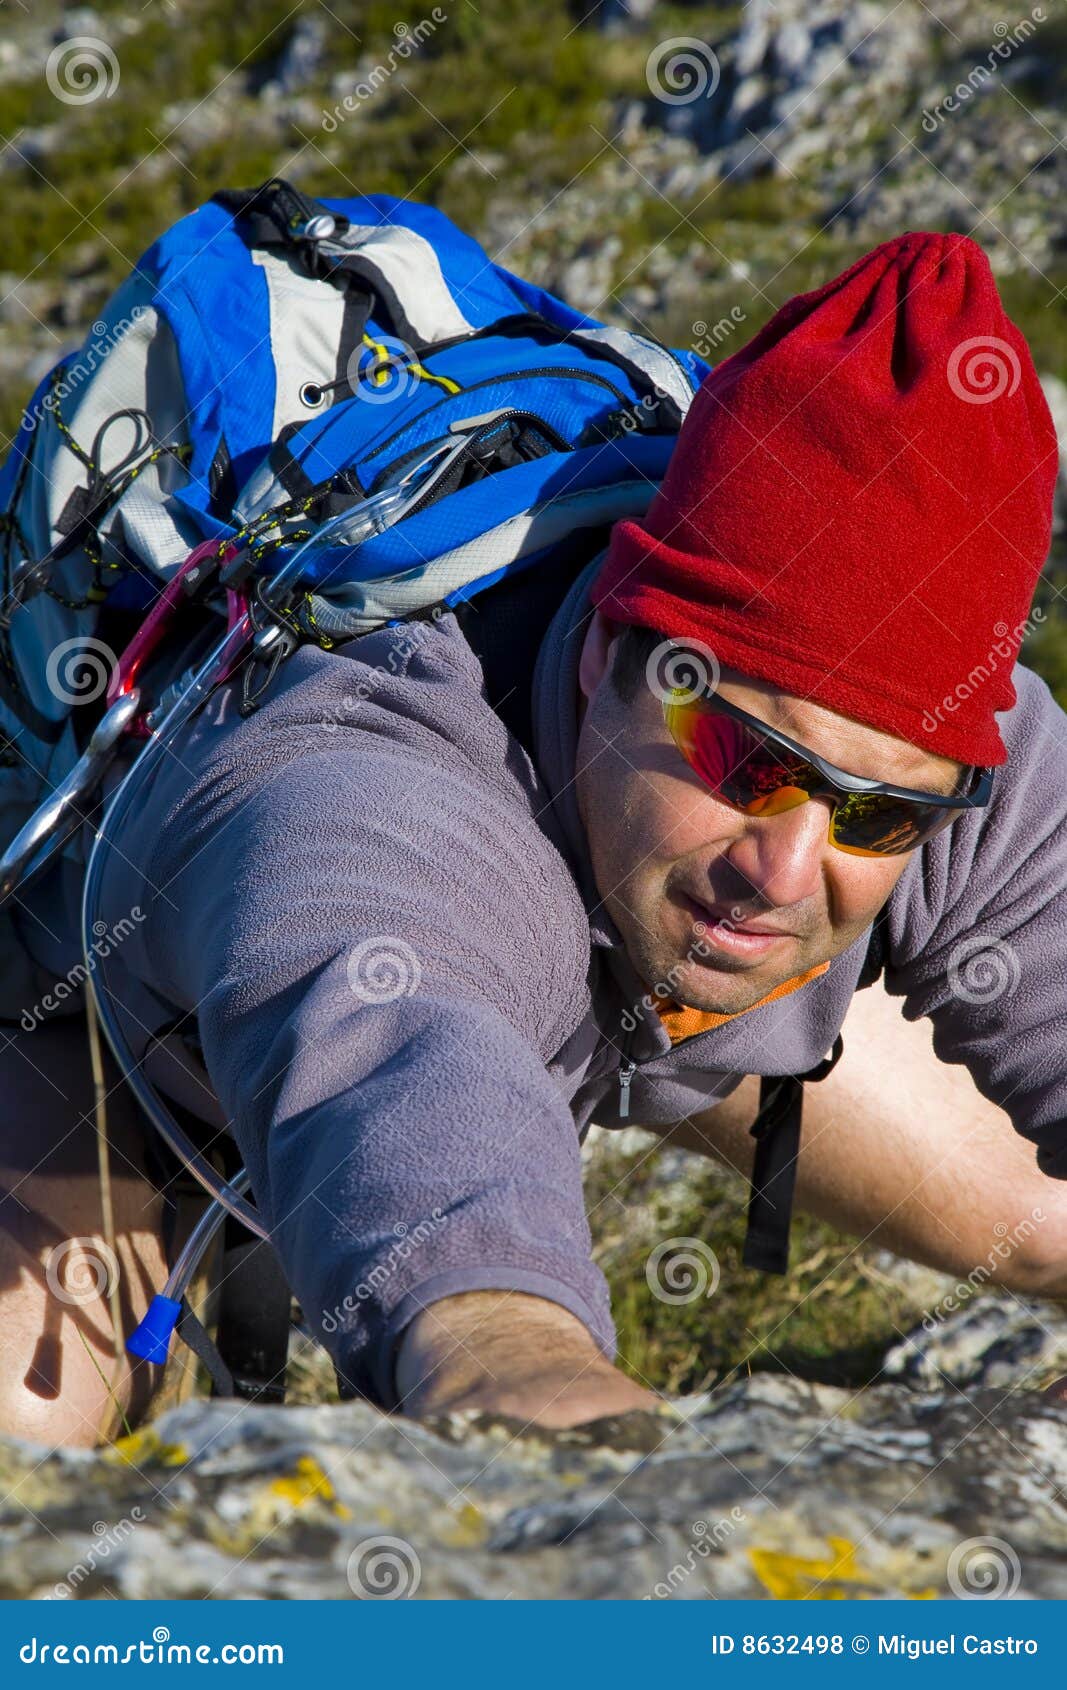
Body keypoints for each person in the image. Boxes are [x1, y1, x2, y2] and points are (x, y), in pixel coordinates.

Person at [2, 228, 1065, 1449]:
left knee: (1035, 1218)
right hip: (118, 1015)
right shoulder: (370, 793)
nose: (782, 868)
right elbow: (402, 1049)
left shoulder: (928, 737)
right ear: (616, 651)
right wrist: (512, 1357)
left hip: (599, 965)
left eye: (877, 814)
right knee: (26, 1435)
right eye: (747, 761)